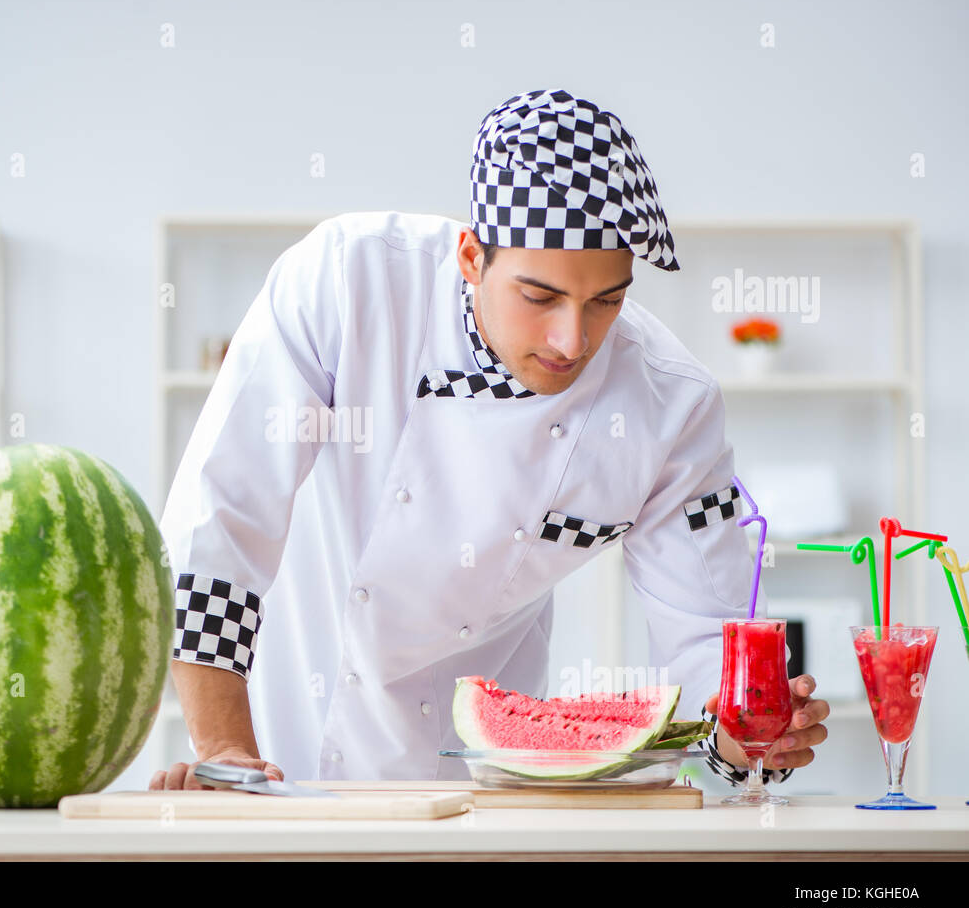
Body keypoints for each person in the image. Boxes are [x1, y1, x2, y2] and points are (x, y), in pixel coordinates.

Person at [152, 89, 829, 790]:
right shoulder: (346, 280)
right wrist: (225, 745)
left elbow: (707, 634)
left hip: (484, 794)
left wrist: (746, 738)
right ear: (471, 256)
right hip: (279, 748)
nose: (574, 340)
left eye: (607, 300)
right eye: (539, 297)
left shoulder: (669, 405)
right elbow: (220, 519)